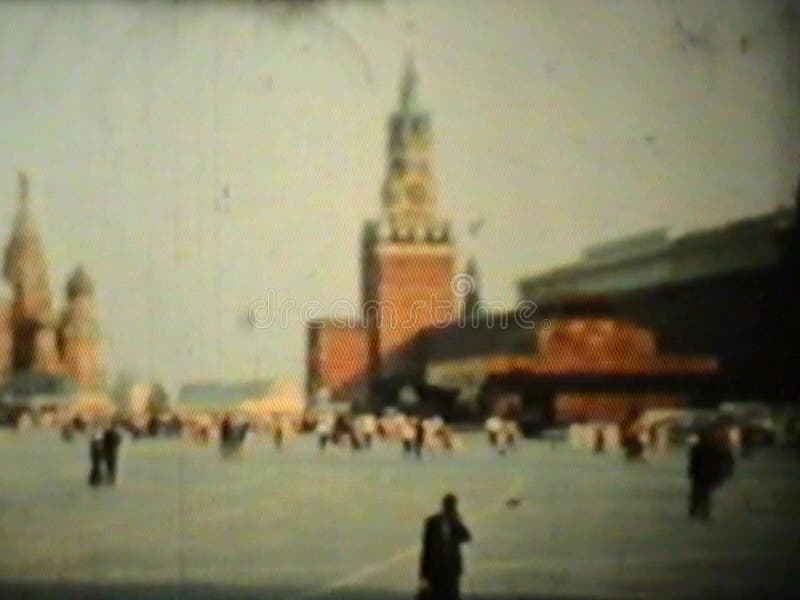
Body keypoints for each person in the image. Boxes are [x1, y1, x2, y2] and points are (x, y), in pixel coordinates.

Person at [419, 493, 472, 600]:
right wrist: (424, 573)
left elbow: (466, 537)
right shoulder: (433, 522)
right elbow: (427, 548)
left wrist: (457, 522)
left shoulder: (455, 522)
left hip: (451, 570)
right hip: (436, 570)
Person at [688, 428, 734, 520]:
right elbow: (721, 460)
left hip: (698, 474)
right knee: (706, 494)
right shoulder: (715, 448)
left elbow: (693, 462)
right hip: (709, 474)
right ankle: (705, 512)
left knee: (696, 493)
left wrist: (691, 472)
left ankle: (694, 510)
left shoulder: (696, 448)